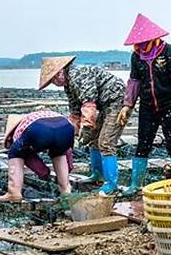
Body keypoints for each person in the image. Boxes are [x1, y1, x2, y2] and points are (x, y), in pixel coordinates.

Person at [39, 56, 126, 195]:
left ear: (61, 71)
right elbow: (74, 110)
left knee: (106, 142)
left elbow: (88, 103)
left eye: (55, 78)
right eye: (51, 81)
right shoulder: (69, 85)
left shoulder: (78, 74)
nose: (55, 82)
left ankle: (111, 184)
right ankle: (97, 175)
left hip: (116, 99)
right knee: (94, 140)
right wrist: (71, 133)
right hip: (103, 104)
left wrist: (86, 127)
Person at [117, 14, 171, 195]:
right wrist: (127, 105)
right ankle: (136, 183)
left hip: (169, 104)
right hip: (147, 106)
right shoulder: (136, 57)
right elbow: (134, 81)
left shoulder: (168, 51)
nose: (141, 46)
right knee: (143, 142)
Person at [0, 111, 74, 202]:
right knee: (59, 152)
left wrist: (43, 172)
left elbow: (27, 156)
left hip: (40, 129)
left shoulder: (19, 130)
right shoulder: (34, 117)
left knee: (15, 153)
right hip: (66, 127)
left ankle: (14, 192)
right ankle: (66, 190)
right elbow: (67, 152)